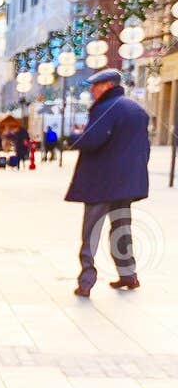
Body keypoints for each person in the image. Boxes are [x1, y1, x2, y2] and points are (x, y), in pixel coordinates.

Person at [67, 68, 150, 296]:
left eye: (96, 86)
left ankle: (86, 281)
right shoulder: (136, 109)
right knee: (121, 230)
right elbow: (144, 148)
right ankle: (129, 275)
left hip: (101, 183)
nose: (93, 90)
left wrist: (73, 138)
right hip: (126, 184)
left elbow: (92, 140)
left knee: (91, 232)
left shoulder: (105, 108)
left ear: (108, 86)